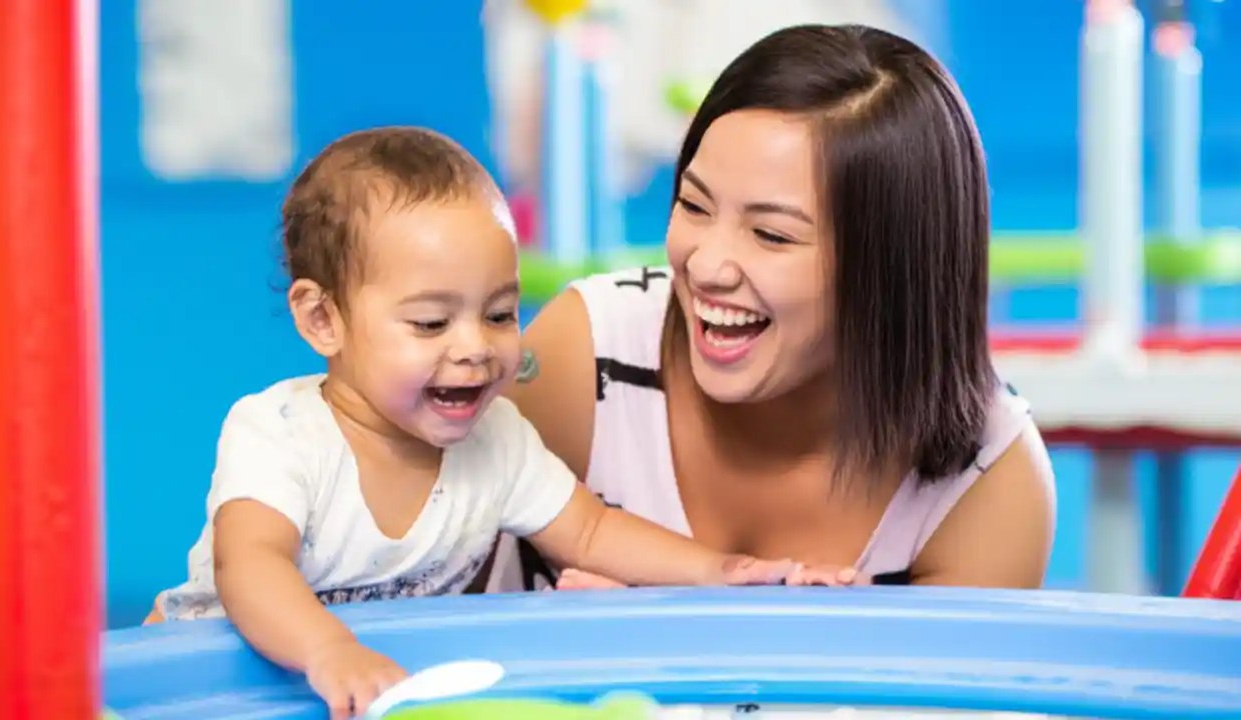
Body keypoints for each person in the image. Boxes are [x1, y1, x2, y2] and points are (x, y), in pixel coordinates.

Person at [146, 127, 830, 720]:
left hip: (369, 686)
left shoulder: (495, 440)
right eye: (431, 322)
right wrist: (328, 649)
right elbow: (251, 564)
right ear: (323, 319)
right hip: (218, 683)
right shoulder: (280, 432)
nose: (474, 347)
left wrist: (721, 570)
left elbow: (589, 531)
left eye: (500, 314)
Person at [491, 24, 1057, 594]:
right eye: (693, 204)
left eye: (771, 234)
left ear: (892, 265)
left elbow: (937, 684)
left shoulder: (989, 477)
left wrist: (663, 648)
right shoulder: (582, 358)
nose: (707, 265)